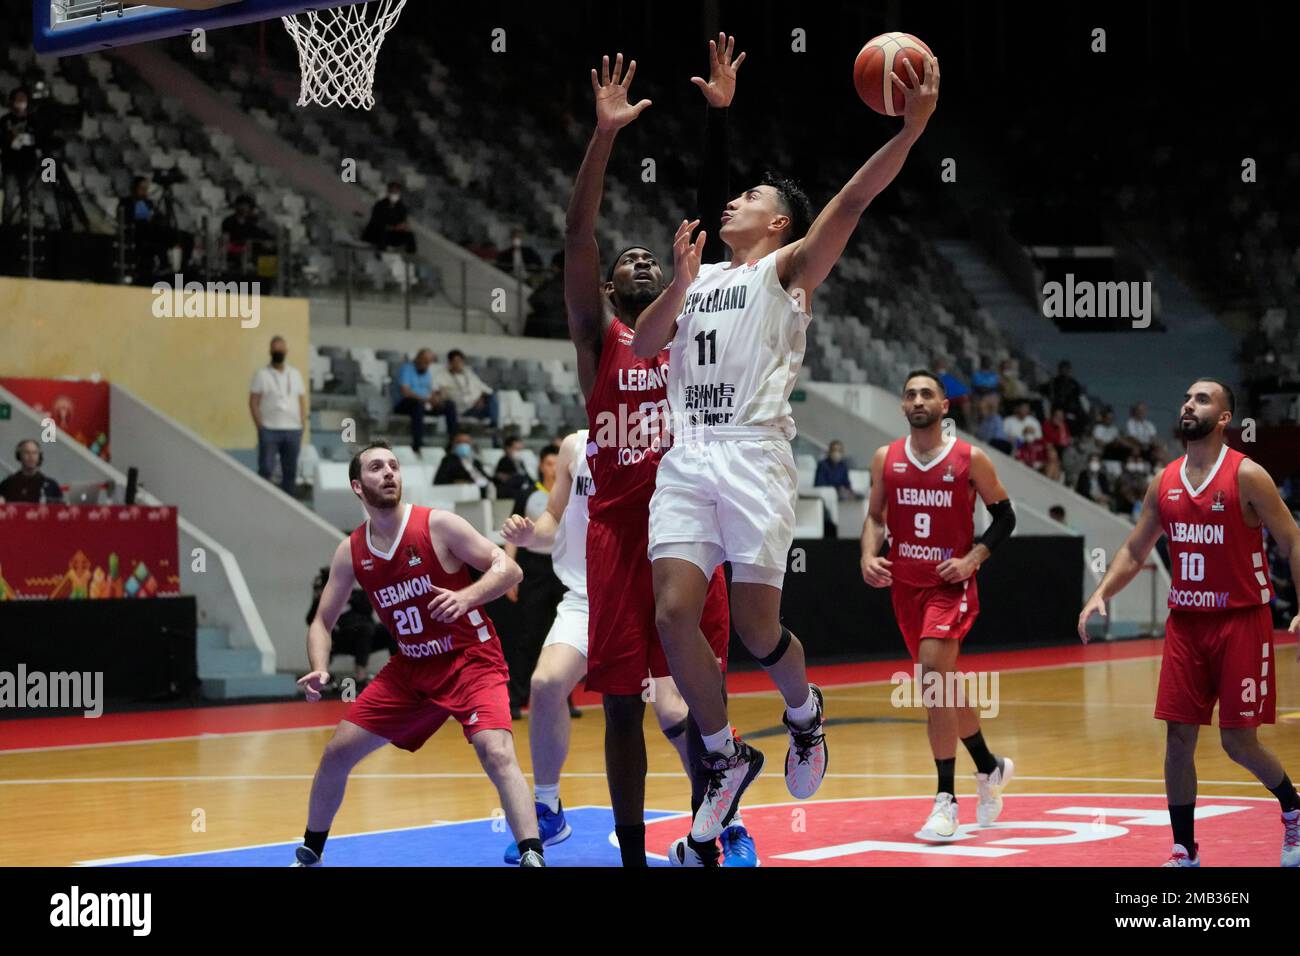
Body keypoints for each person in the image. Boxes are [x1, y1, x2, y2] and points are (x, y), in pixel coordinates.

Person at [631, 42, 940, 841]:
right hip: (688, 453)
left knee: (759, 632)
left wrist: (909, 134)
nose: (729, 201)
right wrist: (677, 276)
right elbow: (640, 346)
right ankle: (724, 753)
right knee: (674, 617)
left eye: (749, 197)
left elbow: (852, 200)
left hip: (753, 454)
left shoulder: (786, 273)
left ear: (777, 223)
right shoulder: (697, 277)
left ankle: (804, 713)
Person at [564, 41, 744, 867]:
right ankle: (634, 853)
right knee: (621, 708)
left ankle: (712, 833)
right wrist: (604, 136)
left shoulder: (689, 325)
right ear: (609, 292)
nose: (637, 258)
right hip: (615, 534)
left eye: (653, 257)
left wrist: (718, 118)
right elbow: (577, 234)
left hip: (688, 526)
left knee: (704, 700)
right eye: (625, 262)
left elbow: (716, 230)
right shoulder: (597, 338)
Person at [499, 430, 759, 865]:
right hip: (589, 594)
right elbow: (552, 522)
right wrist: (529, 537)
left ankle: (730, 822)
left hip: (656, 587)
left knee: (680, 713)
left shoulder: (668, 431)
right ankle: (548, 809)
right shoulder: (573, 446)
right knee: (545, 684)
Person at [1079, 379, 1300, 867]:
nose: (1188, 404)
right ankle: (1184, 850)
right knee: (1178, 739)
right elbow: (1137, 549)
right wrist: (1100, 593)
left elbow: (1292, 539)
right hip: (1186, 624)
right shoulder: (1166, 480)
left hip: (1241, 620)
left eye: (1202, 399)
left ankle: (1292, 808)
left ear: (1224, 418)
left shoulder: (1248, 476)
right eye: (1186, 397)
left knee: (1237, 742)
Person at [291, 441, 544, 867]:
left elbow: (509, 569)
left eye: (393, 465)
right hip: (411, 667)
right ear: (357, 485)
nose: (389, 472)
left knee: (495, 750)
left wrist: (466, 597)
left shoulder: (438, 525)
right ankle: (310, 851)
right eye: (376, 467)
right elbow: (321, 621)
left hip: (470, 659)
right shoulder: (351, 551)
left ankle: (532, 855)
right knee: (336, 753)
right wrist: (319, 667)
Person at [860, 370, 1017, 841]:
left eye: (927, 393)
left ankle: (945, 799)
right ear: (903, 407)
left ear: (944, 406)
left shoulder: (971, 459)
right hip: (905, 587)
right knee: (943, 688)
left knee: (931, 677)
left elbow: (1005, 516)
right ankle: (989, 766)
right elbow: (874, 517)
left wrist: (973, 559)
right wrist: (868, 554)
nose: (918, 400)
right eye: (909, 394)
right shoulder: (885, 459)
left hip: (950, 587)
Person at [502, 444, 564, 717]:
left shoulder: (570, 492)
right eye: (549, 463)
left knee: (561, 637)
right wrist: (508, 571)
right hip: (534, 569)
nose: (553, 468)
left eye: (557, 463)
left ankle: (563, 701)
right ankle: (515, 699)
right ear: (542, 466)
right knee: (529, 634)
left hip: (562, 567)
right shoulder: (529, 494)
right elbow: (512, 534)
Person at [306, 565, 397, 685]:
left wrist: (345, 596)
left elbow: (368, 609)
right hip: (342, 638)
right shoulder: (324, 602)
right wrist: (317, 600)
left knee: (390, 628)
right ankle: (359, 673)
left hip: (367, 636)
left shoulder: (357, 595)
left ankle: (399, 670)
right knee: (364, 629)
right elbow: (311, 621)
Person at [249, 336, 307, 497]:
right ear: (270, 351)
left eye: (281, 350)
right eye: (275, 350)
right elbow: (253, 401)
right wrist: (260, 426)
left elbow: (301, 399)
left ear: (286, 351)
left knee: (290, 471)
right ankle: (263, 501)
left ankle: (288, 504)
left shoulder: (294, 374)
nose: (278, 352)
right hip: (269, 430)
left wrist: (302, 422)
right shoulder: (262, 374)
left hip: (293, 430)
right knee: (266, 469)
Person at [392, 349, 457, 456]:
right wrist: (425, 399)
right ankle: (418, 444)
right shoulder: (407, 369)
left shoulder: (426, 373)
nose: (427, 365)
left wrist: (436, 398)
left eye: (429, 362)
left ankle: (453, 442)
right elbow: (405, 391)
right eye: (425, 361)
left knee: (449, 405)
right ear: (418, 359)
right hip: (405, 404)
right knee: (417, 405)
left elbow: (429, 391)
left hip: (424, 403)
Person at [1, 88, 37, 226]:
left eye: (24, 98)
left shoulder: (33, 120)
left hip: (27, 165)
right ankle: (6, 228)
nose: (21, 101)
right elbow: (4, 141)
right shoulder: (5, 120)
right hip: (10, 165)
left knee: (26, 197)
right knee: (9, 198)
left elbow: (35, 140)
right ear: (12, 101)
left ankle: (26, 226)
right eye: (18, 98)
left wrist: (21, 138)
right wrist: (13, 139)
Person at [436, 350, 498, 430]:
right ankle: (494, 427)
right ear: (450, 362)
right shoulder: (443, 376)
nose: (459, 363)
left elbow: (485, 388)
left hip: (477, 407)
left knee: (493, 397)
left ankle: (494, 425)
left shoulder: (468, 373)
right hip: (462, 410)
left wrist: (481, 398)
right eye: (456, 361)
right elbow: (440, 392)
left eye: (461, 361)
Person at [362, 181, 416, 254]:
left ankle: (410, 256)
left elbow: (403, 221)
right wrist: (391, 227)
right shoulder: (380, 205)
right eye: (392, 192)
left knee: (410, 235)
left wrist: (404, 227)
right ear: (388, 192)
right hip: (377, 232)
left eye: (396, 193)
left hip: (392, 233)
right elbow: (376, 222)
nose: (394, 195)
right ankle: (380, 255)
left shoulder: (401, 207)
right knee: (383, 232)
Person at [221, 194, 272, 270]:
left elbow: (260, 235)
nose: (244, 208)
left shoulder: (252, 221)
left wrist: (267, 241)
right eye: (242, 205)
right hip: (235, 250)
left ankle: (266, 274)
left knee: (267, 250)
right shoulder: (228, 221)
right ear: (237, 206)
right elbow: (226, 243)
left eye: (247, 206)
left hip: (252, 250)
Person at [433, 432, 493, 496]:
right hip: (459, 491)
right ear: (453, 444)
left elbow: (485, 477)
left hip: (481, 488)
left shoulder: (475, 462)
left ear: (471, 444)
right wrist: (458, 482)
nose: (463, 445)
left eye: (466, 442)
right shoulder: (448, 460)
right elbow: (439, 481)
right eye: (460, 442)